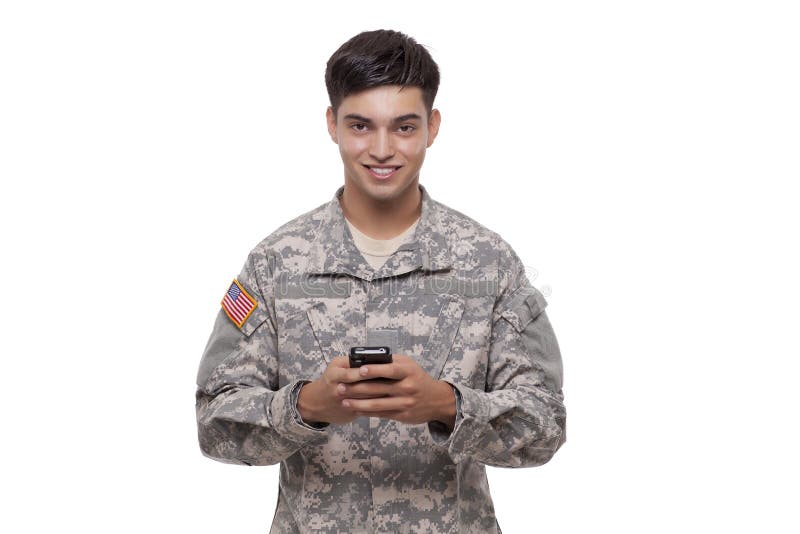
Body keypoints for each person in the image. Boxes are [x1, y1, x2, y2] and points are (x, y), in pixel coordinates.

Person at [195, 29, 567, 534]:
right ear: (332, 124)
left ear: (433, 127)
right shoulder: (275, 264)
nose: (383, 149)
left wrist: (445, 405)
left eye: (405, 127)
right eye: (361, 126)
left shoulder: (488, 263)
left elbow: (544, 425)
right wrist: (307, 406)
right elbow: (215, 423)